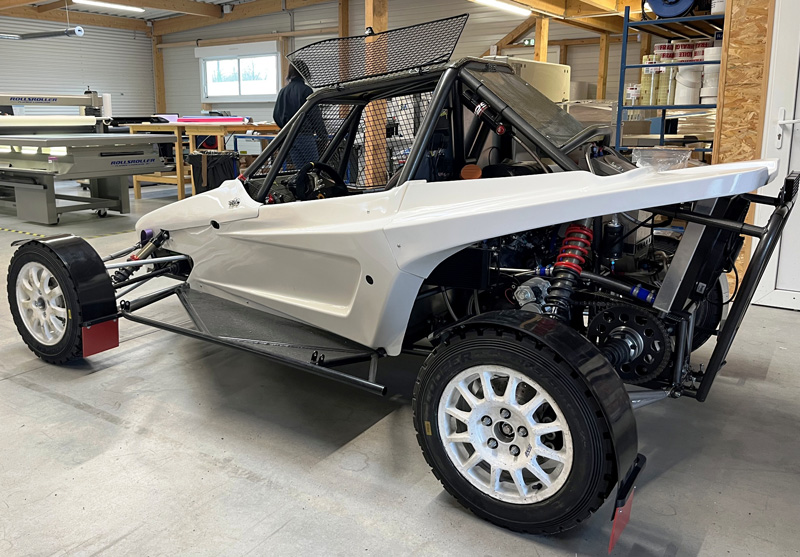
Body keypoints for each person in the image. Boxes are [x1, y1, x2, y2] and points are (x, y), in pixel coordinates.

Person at [274, 62, 324, 169]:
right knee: (314, 169)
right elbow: (315, 115)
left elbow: (276, 115)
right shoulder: (306, 90)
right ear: (305, 73)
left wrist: (285, 128)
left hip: (289, 138)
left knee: (300, 170)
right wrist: (323, 135)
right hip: (304, 136)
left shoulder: (283, 91)